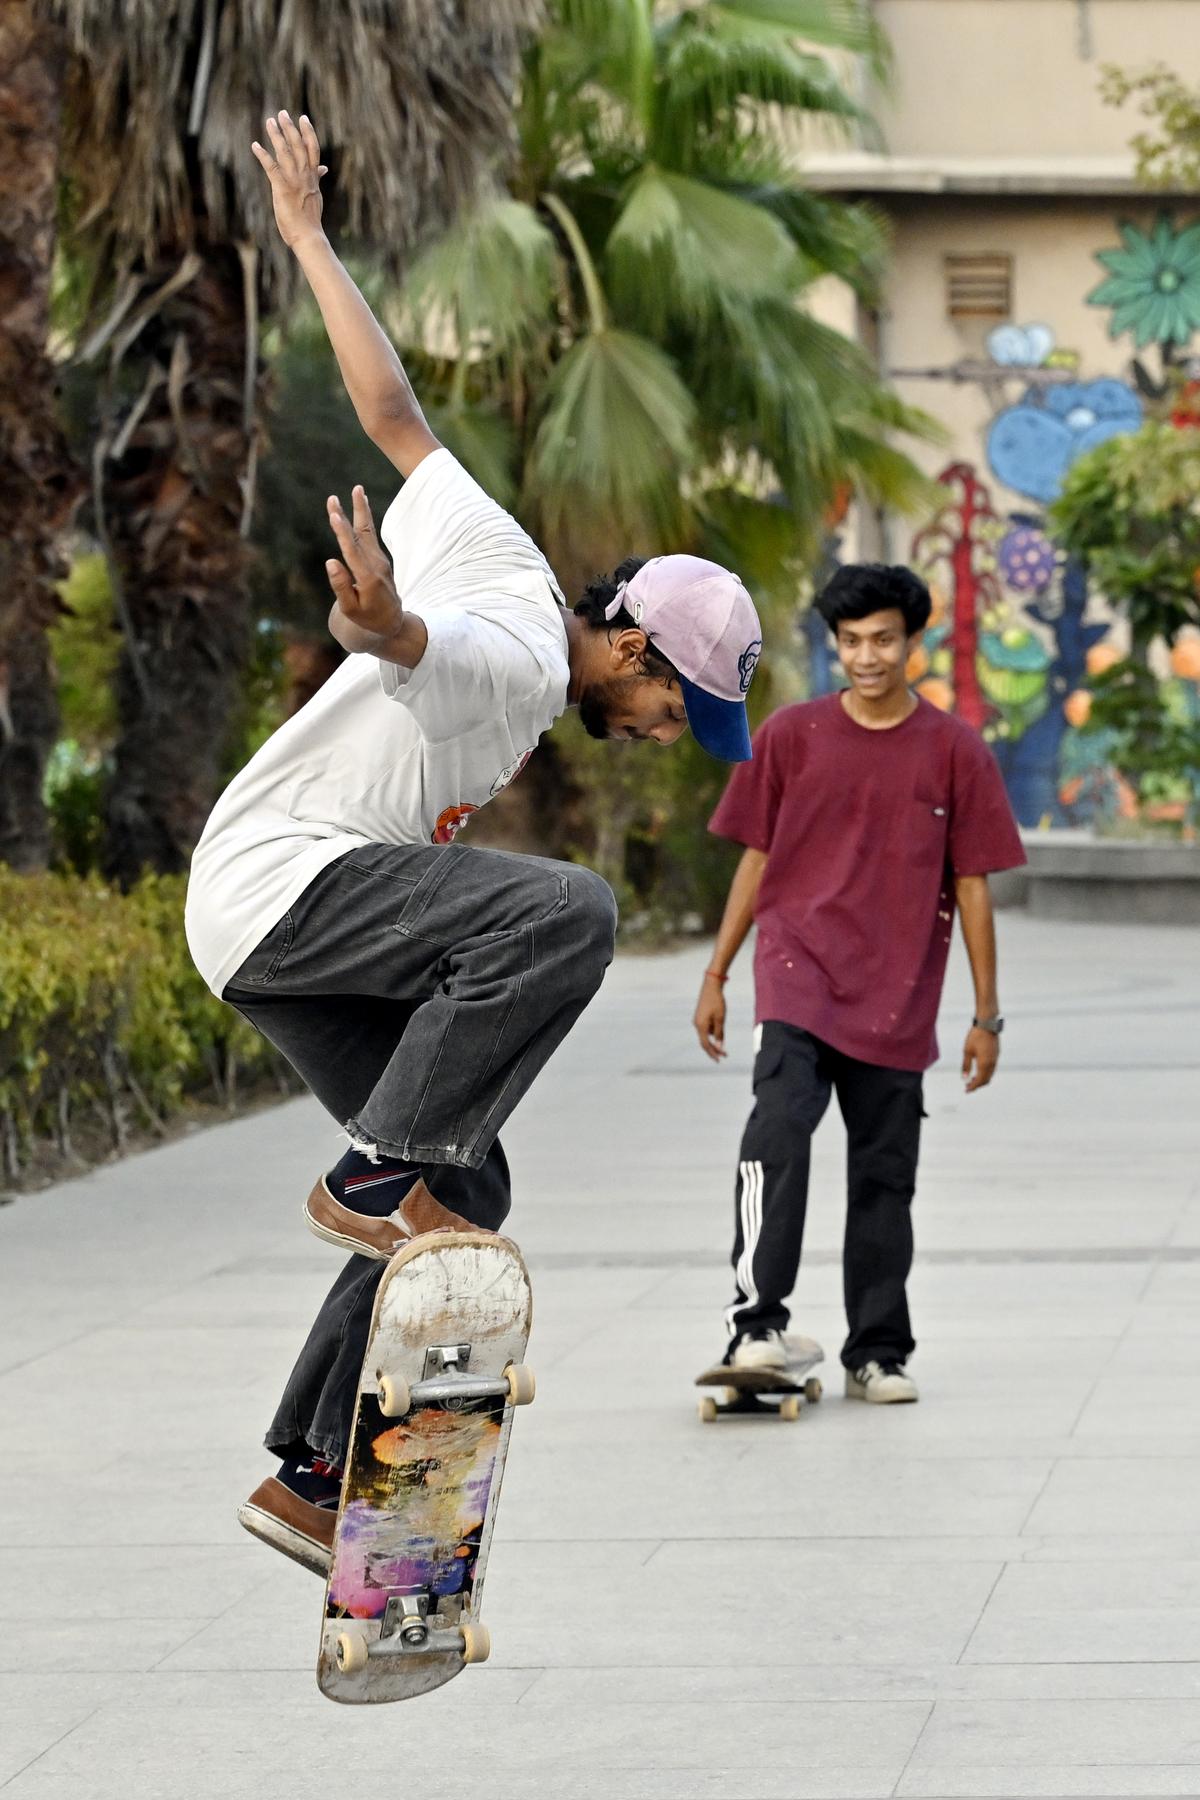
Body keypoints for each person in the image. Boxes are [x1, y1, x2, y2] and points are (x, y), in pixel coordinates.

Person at [183, 113, 764, 1573]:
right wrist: (379, 625)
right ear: (631, 645)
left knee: (470, 1188)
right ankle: (374, 1175)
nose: (659, 734)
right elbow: (424, 649)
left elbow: (393, 414)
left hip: (265, 925)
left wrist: (311, 241)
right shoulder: (511, 661)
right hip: (293, 885)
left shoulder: (497, 542)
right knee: (565, 912)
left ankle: (314, 1472)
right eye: (669, 708)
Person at [693, 563, 1025, 1404]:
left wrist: (986, 1016)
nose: (867, 656)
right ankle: (755, 1325)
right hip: (797, 974)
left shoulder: (955, 751)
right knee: (777, 1132)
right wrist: (717, 972)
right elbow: (757, 859)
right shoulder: (790, 737)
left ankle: (876, 1351)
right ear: (834, 644)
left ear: (914, 642)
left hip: (898, 996)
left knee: (885, 1176)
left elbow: (974, 887)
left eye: (883, 640)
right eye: (851, 641)